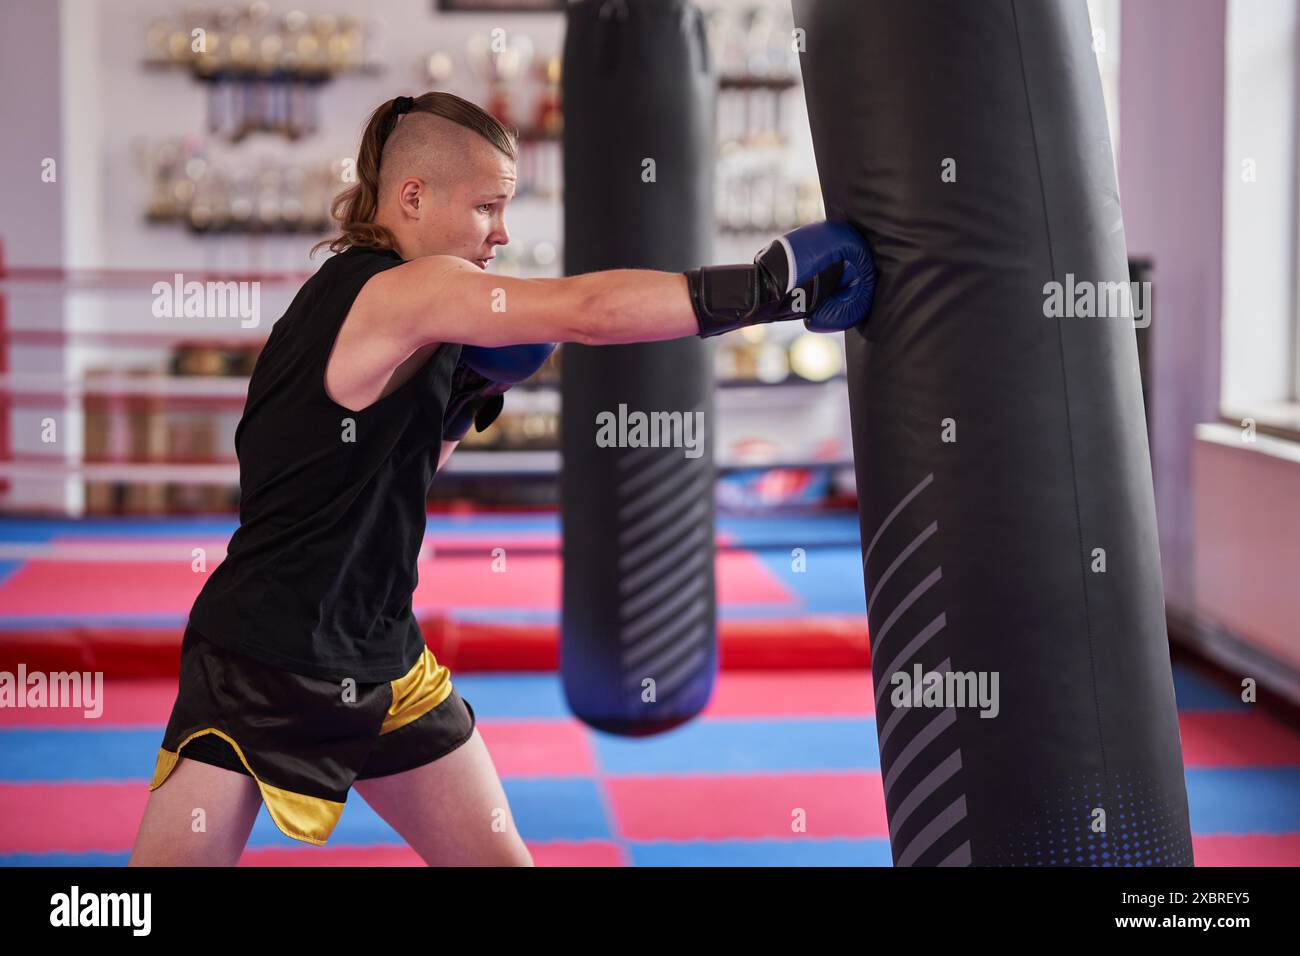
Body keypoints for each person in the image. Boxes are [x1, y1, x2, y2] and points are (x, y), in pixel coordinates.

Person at [128, 91, 874, 867]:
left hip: (380, 655)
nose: (502, 231)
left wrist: (457, 405)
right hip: (265, 656)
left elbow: (386, 477)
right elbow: (583, 310)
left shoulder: (399, 312)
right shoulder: (401, 289)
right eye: (486, 206)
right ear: (411, 197)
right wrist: (763, 287)